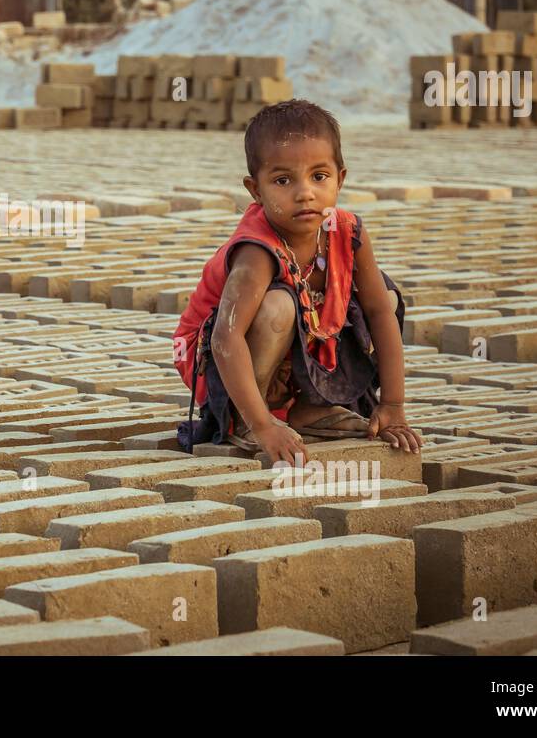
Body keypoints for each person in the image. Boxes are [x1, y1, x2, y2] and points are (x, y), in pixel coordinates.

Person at [172, 99, 419, 465]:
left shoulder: (348, 231)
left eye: (319, 176)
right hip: (215, 360)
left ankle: (310, 407)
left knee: (384, 295)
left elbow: (379, 313)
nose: (305, 193)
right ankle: (245, 417)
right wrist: (263, 426)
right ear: (256, 191)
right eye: (283, 180)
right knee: (279, 306)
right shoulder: (257, 250)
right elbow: (226, 336)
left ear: (341, 179)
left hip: (295, 343)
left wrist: (393, 404)